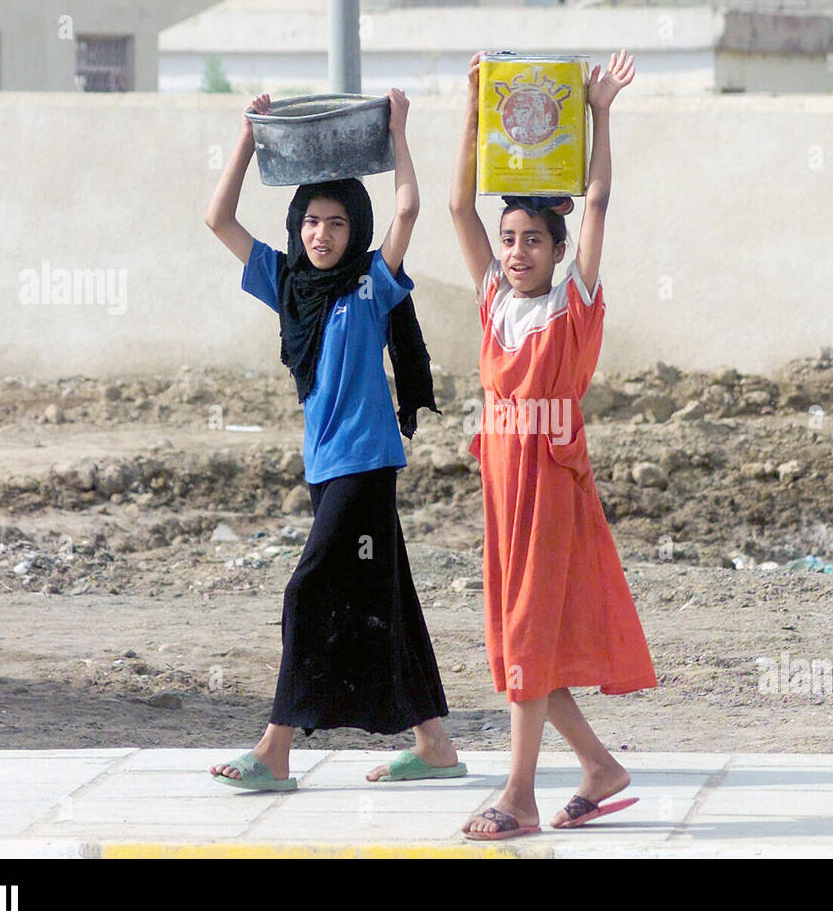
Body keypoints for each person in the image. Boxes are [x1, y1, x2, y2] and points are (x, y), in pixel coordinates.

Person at [203, 89, 464, 790]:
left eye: (338, 223)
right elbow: (217, 217)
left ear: (356, 231)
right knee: (391, 601)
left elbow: (408, 207)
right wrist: (248, 139)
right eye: (312, 222)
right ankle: (435, 743)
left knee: (308, 593)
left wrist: (399, 130)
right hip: (325, 468)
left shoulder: (370, 287)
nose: (322, 234)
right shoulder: (288, 285)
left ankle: (275, 747)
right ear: (298, 227)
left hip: (367, 465)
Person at [449, 52, 657, 839]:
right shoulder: (495, 304)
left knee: (530, 640)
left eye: (532, 239)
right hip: (504, 490)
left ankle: (519, 794)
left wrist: (603, 111)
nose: (515, 251)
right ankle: (600, 769)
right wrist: (475, 106)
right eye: (509, 238)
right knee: (519, 644)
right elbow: (455, 207)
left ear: (555, 247)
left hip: (553, 491)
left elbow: (598, 197)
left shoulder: (574, 304)